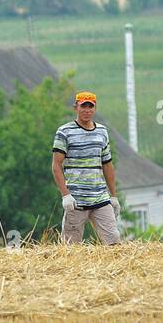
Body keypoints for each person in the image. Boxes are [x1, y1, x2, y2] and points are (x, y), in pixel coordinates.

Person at [52, 91, 121, 245]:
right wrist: (65, 195)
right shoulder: (65, 132)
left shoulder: (102, 131)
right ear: (76, 107)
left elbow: (107, 164)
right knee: (70, 247)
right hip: (76, 199)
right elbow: (56, 165)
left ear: (95, 108)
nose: (87, 110)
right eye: (83, 106)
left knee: (114, 242)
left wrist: (113, 196)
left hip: (100, 197)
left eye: (91, 107)